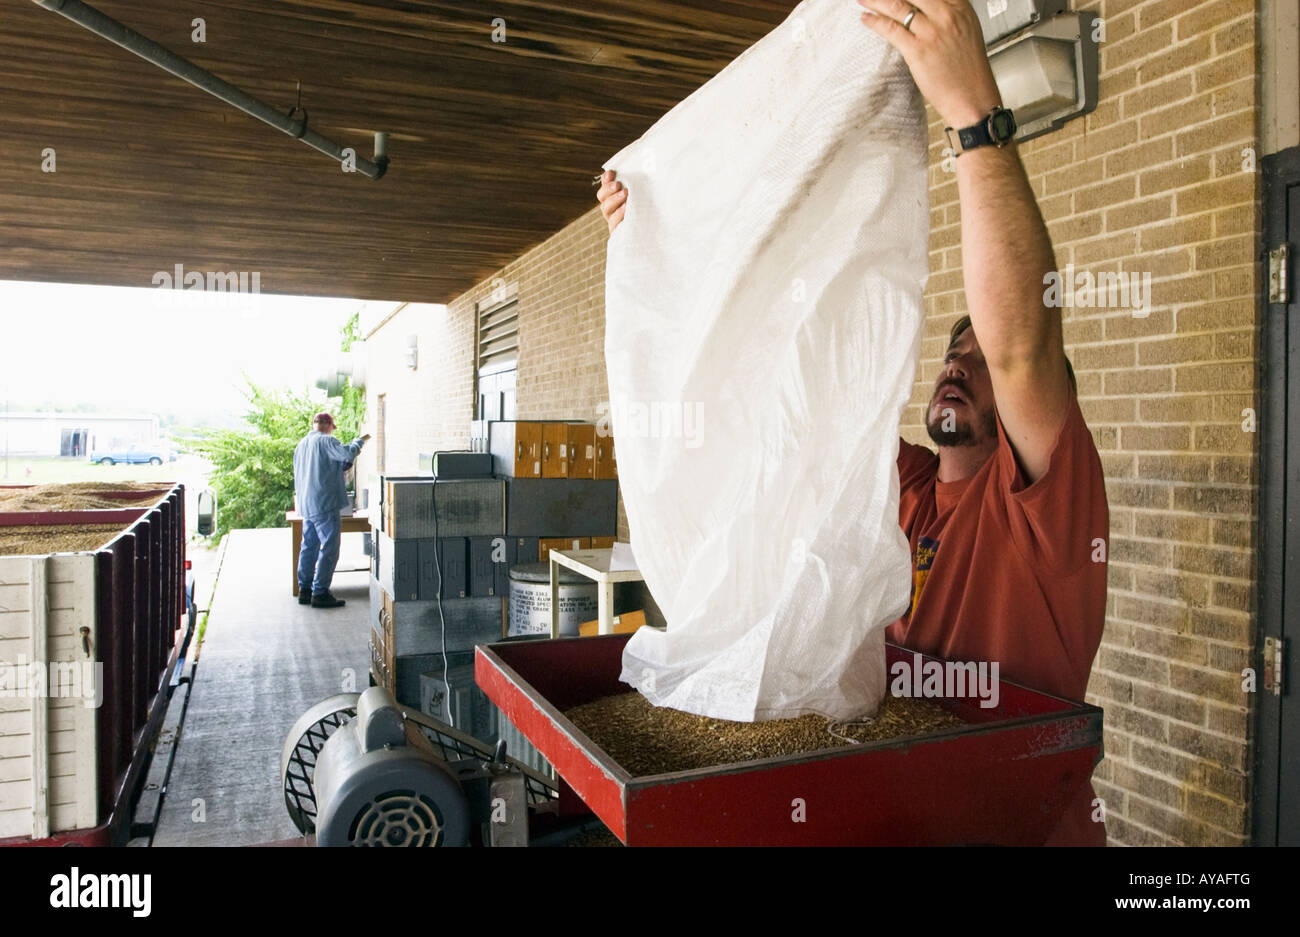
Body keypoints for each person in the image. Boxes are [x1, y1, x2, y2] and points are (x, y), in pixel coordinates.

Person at [596, 0, 1108, 846]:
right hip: (887, 808)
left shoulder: (1043, 509)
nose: (959, 363)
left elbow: (1024, 344)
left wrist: (975, 117)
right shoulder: (892, 485)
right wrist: (664, 255)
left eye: (980, 357)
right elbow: (768, 387)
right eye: (954, 350)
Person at [293, 411, 370, 608]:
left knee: (309, 546)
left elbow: (325, 467)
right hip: (325, 503)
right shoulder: (326, 441)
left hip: (306, 504)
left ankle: (305, 590)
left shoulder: (302, 445)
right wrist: (358, 443)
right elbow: (347, 454)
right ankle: (320, 592)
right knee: (329, 548)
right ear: (328, 426)